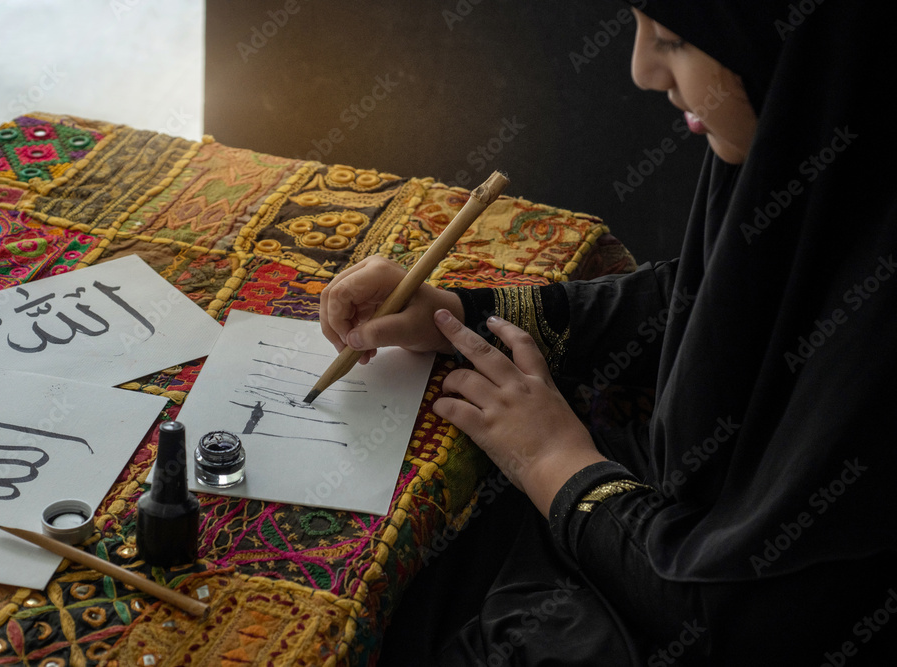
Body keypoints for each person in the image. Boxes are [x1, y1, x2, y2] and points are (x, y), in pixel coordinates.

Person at [321, 1, 897, 663]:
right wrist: (459, 311)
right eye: (640, 25)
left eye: (674, 39)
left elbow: (745, 621)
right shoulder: (825, 138)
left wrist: (556, 463)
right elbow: (708, 299)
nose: (643, 69)